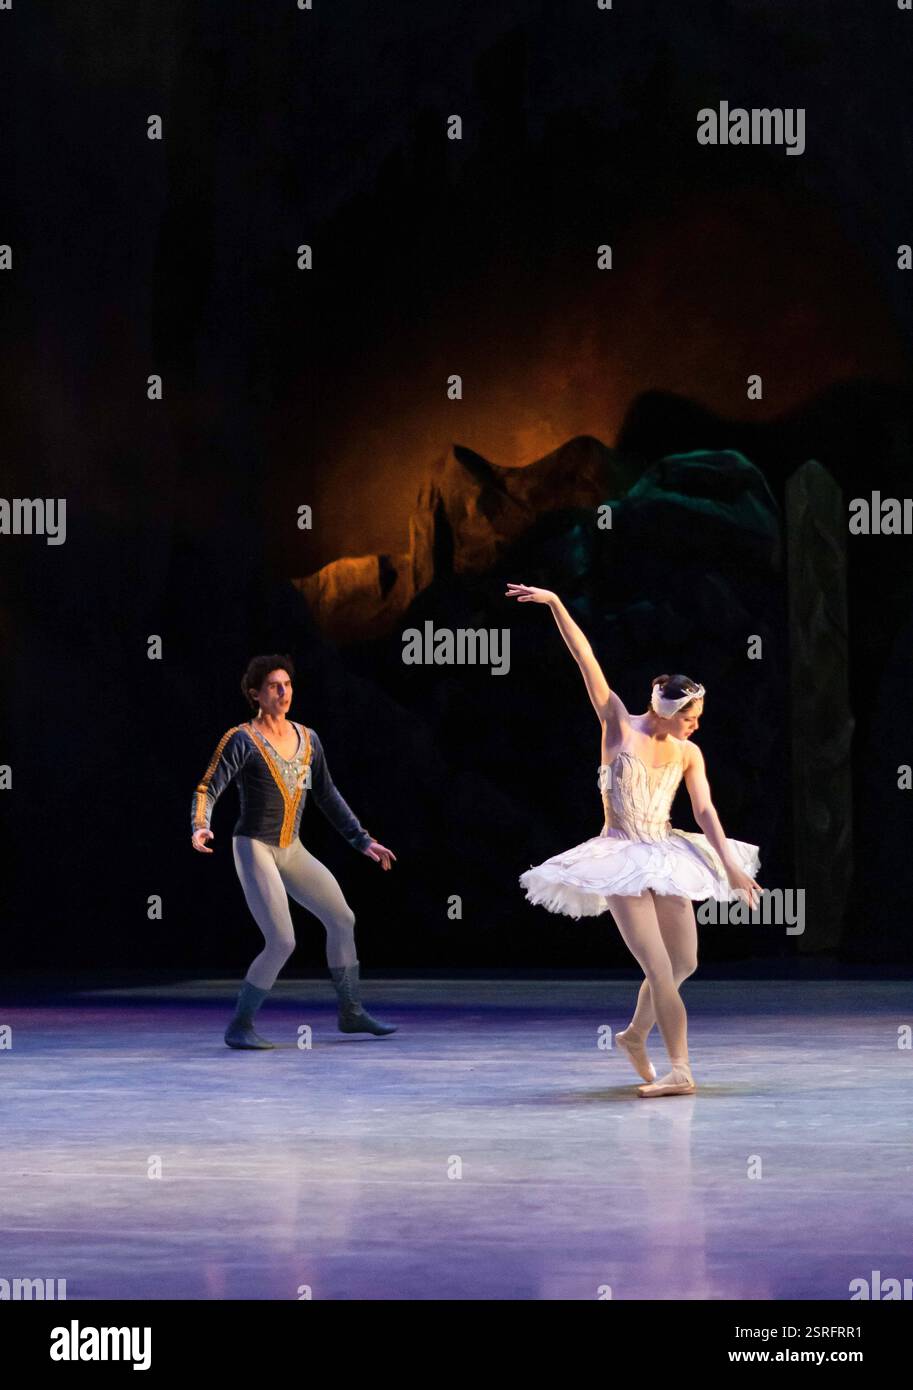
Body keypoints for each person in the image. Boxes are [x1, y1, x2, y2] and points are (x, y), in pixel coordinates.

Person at [506, 585, 761, 1098]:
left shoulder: (689, 754)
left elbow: (704, 810)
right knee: (660, 968)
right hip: (620, 856)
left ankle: (634, 1036)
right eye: (689, 717)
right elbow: (586, 658)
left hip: (664, 853)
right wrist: (555, 604)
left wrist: (731, 866)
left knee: (685, 962)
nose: (696, 725)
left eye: (698, 717)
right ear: (664, 710)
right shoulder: (618, 725)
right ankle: (681, 1069)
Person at [191, 653, 398, 1048]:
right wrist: (200, 825)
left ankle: (351, 1011)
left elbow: (327, 794)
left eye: (287, 684)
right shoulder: (242, 739)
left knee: (342, 918)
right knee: (282, 940)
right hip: (254, 846)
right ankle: (240, 1025)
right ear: (256, 694)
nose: (284, 692)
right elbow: (207, 787)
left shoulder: (308, 739)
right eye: (274, 686)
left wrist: (362, 839)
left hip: (292, 848)